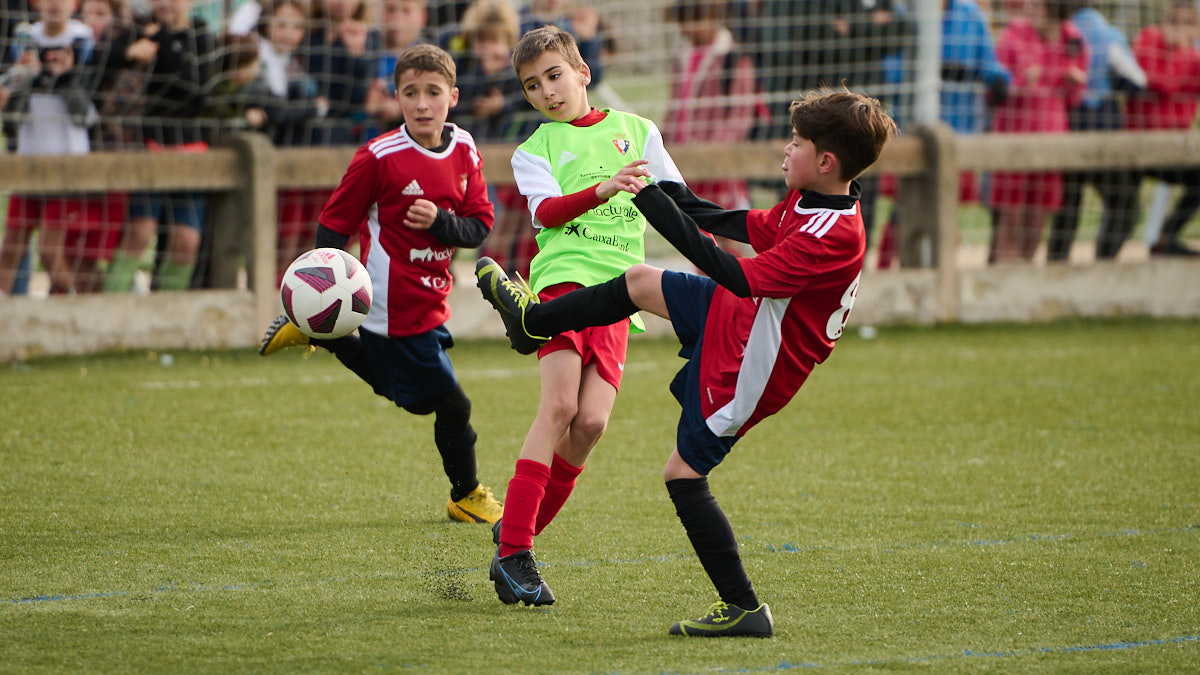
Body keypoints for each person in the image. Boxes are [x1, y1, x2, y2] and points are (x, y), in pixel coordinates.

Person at [476, 88, 898, 636]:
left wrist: (649, 203)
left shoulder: (833, 235)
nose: (784, 152)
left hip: (758, 363)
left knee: (683, 473)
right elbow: (737, 224)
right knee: (639, 282)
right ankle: (534, 323)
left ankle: (745, 609)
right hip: (744, 317)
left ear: (826, 162)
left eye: (795, 144)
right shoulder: (812, 196)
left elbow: (736, 274)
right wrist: (660, 185)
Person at [258, 44, 503, 525]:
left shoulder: (466, 148)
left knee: (418, 402)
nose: (422, 104)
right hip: (388, 300)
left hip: (432, 297)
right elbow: (334, 224)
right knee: (453, 406)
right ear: (397, 98)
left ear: (452, 97)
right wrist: (321, 285)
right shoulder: (378, 156)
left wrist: (440, 224)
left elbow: (479, 226)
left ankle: (321, 334)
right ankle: (466, 494)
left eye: (433, 92)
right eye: (410, 93)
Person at [484, 25, 684, 608]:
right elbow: (545, 213)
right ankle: (517, 553)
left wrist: (735, 245)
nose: (547, 91)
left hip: (622, 292)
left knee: (591, 425)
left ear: (582, 73)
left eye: (554, 75)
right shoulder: (535, 150)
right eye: (532, 85)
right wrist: (602, 189)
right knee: (561, 406)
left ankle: (513, 539)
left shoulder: (638, 131)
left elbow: (680, 202)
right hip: (565, 281)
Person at [101, 0, 218, 292]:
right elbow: (102, 62)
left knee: (187, 240)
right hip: (148, 148)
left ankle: (168, 311)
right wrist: (128, 53)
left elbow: (197, 92)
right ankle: (111, 304)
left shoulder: (202, 36)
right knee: (139, 232)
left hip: (191, 152)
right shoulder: (136, 31)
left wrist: (163, 40)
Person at [0, 0, 110, 295]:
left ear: (75, 4)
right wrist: (22, 80)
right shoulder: (23, 38)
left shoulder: (85, 42)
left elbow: (86, 115)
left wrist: (63, 78)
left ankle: (81, 316)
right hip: (29, 158)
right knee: (10, 248)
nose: (53, 3)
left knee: (52, 250)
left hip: (69, 165)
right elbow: (12, 112)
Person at [1046, 0, 1145, 262]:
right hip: (1102, 137)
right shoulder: (1109, 35)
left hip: (1066, 132)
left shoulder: (1058, 32)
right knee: (1125, 205)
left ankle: (1056, 272)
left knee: (1066, 212)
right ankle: (1103, 261)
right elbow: (1137, 82)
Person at [989, 0, 1087, 262]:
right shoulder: (1013, 35)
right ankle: (1004, 275)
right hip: (1015, 137)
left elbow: (1074, 97)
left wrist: (1074, 83)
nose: (1032, 8)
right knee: (1010, 215)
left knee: (1037, 216)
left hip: (1051, 138)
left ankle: (1025, 275)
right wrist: (1021, 82)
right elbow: (995, 90)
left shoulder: (1073, 39)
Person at [662, 0, 760, 258]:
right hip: (685, 157)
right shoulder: (682, 58)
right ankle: (708, 287)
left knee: (725, 224)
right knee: (694, 229)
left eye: (692, 22)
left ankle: (737, 285)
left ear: (710, 17)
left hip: (716, 159)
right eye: (683, 24)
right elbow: (675, 104)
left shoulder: (730, 57)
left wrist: (717, 148)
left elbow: (741, 112)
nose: (686, 30)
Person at [1110, 1, 1200, 257]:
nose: (1178, 30)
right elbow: (1161, 83)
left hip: (1170, 151)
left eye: (1187, 24)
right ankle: (1105, 257)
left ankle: (1165, 239)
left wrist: (1185, 52)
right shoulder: (1148, 39)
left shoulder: (1193, 57)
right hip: (1136, 146)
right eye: (1173, 22)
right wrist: (1182, 51)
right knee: (1126, 211)